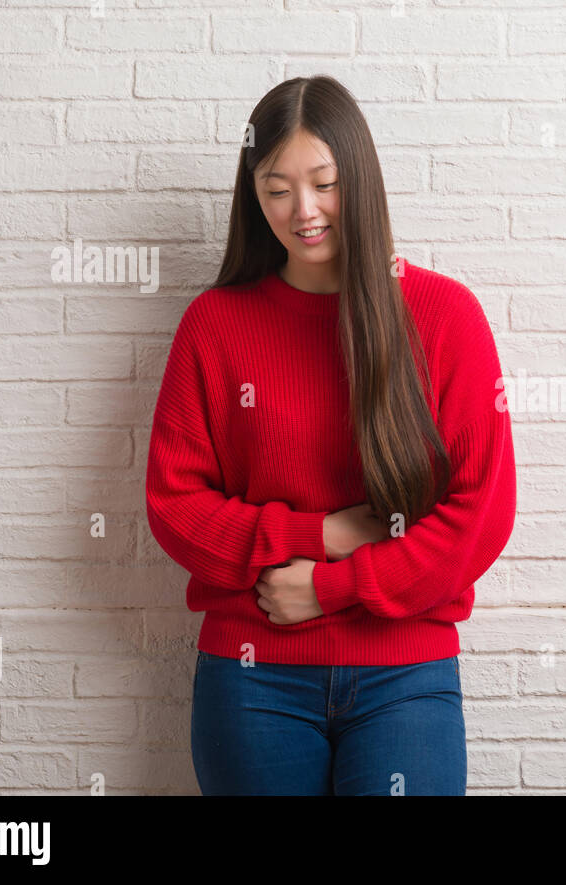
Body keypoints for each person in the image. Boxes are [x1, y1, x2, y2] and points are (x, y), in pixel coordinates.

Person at [144, 75, 517, 796]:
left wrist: (329, 586)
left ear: (361, 180)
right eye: (276, 187)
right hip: (252, 678)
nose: (303, 210)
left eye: (324, 182)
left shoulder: (445, 316)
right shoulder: (214, 325)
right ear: (252, 193)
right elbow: (176, 507)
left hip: (406, 674)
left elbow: (480, 515)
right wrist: (328, 534)